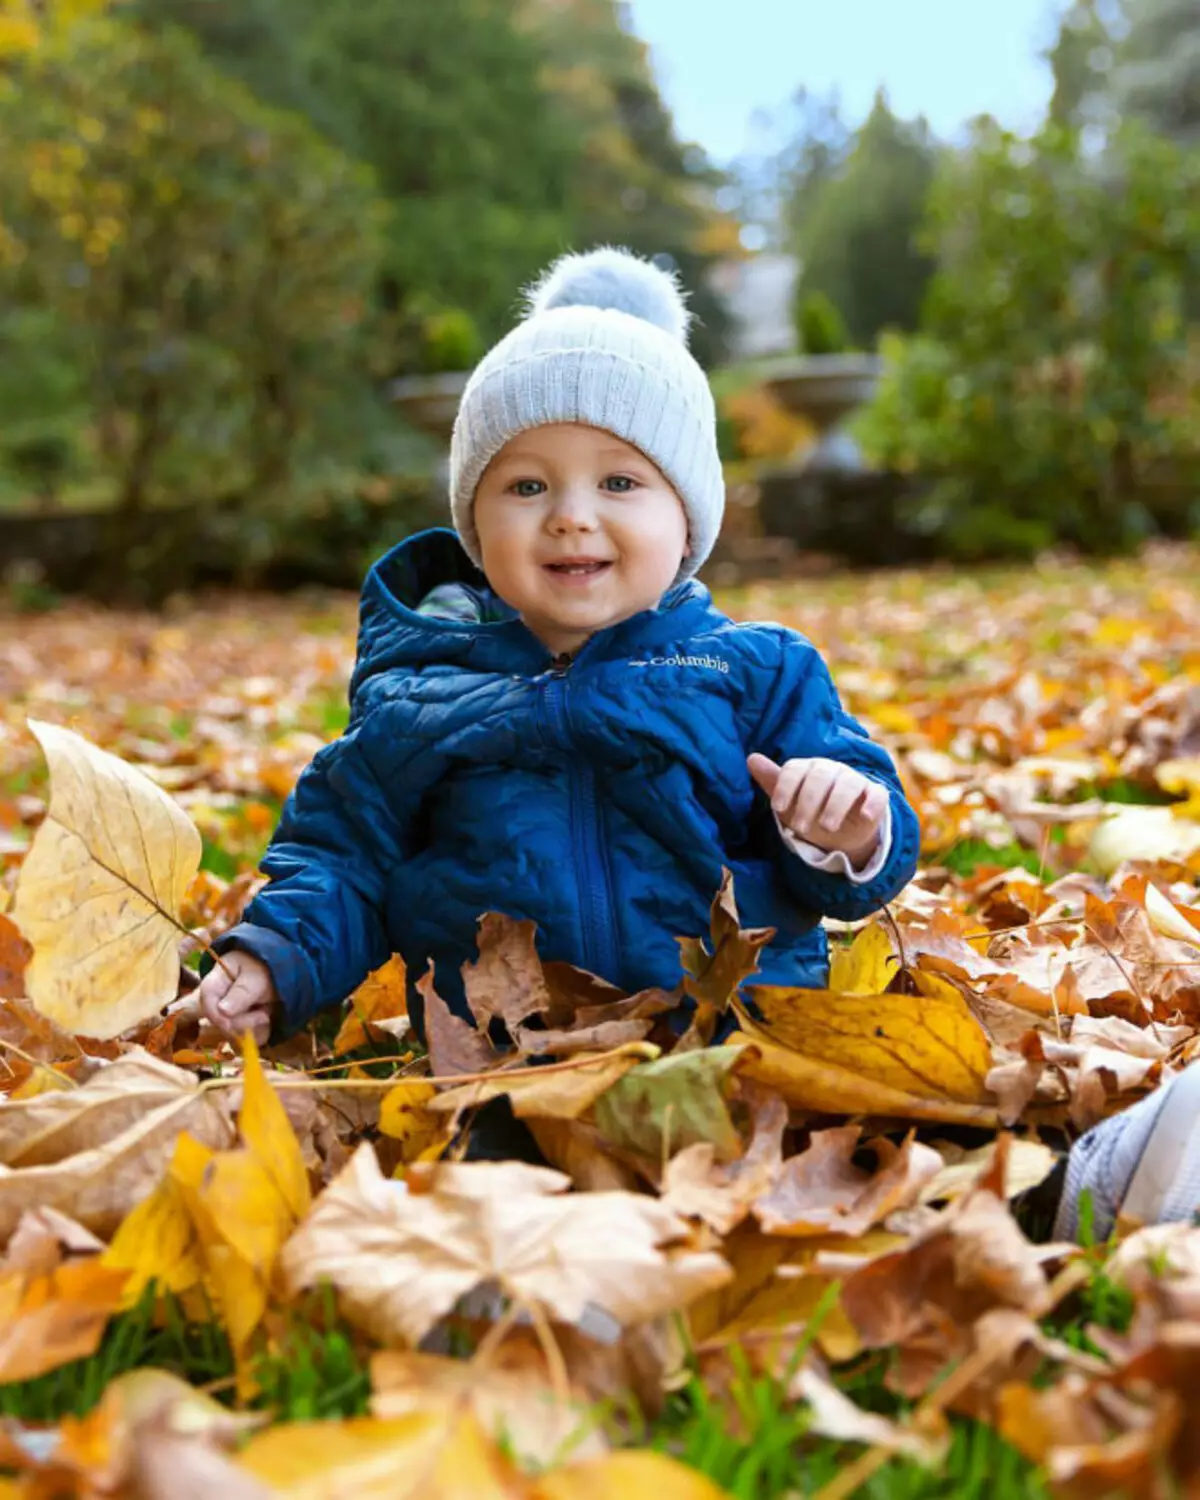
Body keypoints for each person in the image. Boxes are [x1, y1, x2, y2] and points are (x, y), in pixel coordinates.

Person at [197, 244, 919, 1105]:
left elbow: (859, 854)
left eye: (620, 481)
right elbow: (343, 855)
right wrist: (276, 959)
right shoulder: (421, 690)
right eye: (528, 486)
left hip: (734, 1052)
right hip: (499, 1071)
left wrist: (843, 832)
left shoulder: (756, 672)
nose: (573, 518)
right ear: (473, 524)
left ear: (685, 521)